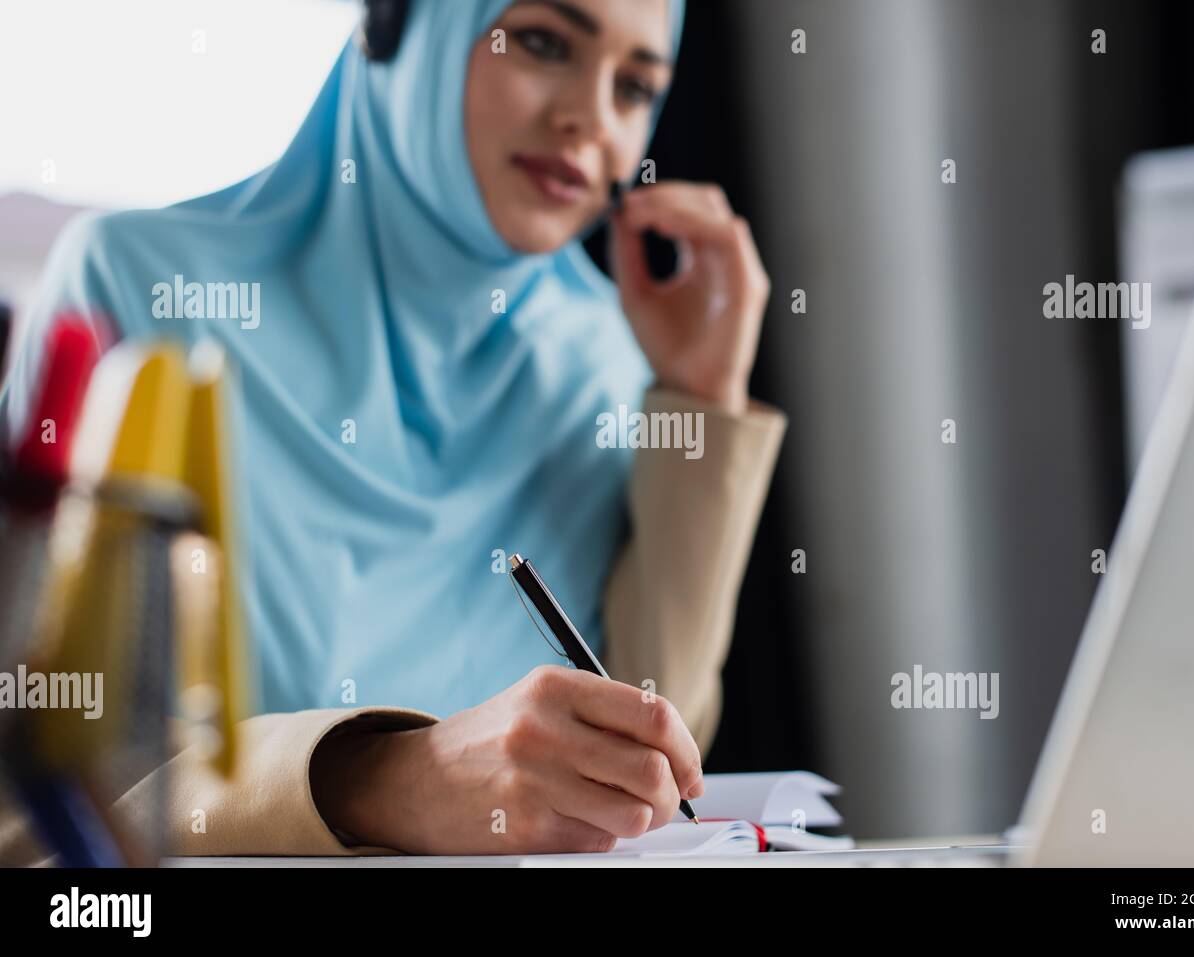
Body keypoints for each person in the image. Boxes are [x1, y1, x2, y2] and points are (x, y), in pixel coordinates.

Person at [0, 0, 785, 858]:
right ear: (394, 26)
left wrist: (702, 398)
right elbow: (35, 799)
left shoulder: (603, 362)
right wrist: (383, 779)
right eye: (540, 41)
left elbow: (643, 782)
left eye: (635, 87)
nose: (590, 119)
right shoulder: (138, 293)